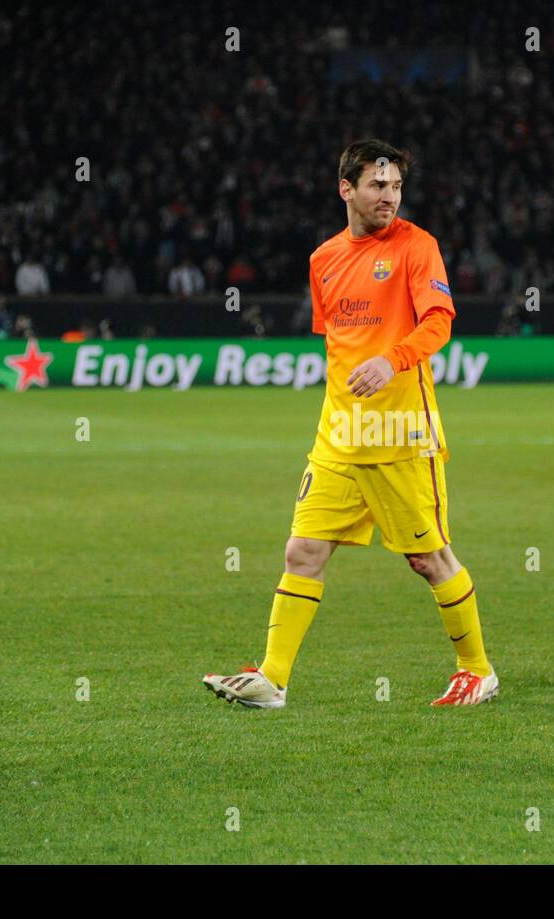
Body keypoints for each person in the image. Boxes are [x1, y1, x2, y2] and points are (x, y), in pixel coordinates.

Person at [203, 139, 497, 709]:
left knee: (428, 558)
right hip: (339, 436)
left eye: (396, 187)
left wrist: (392, 360)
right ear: (347, 189)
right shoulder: (323, 259)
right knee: (302, 552)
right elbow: (339, 342)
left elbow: (439, 321)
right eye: (377, 186)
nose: (389, 197)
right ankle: (272, 679)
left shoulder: (417, 247)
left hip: (400, 435)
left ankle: (477, 670)